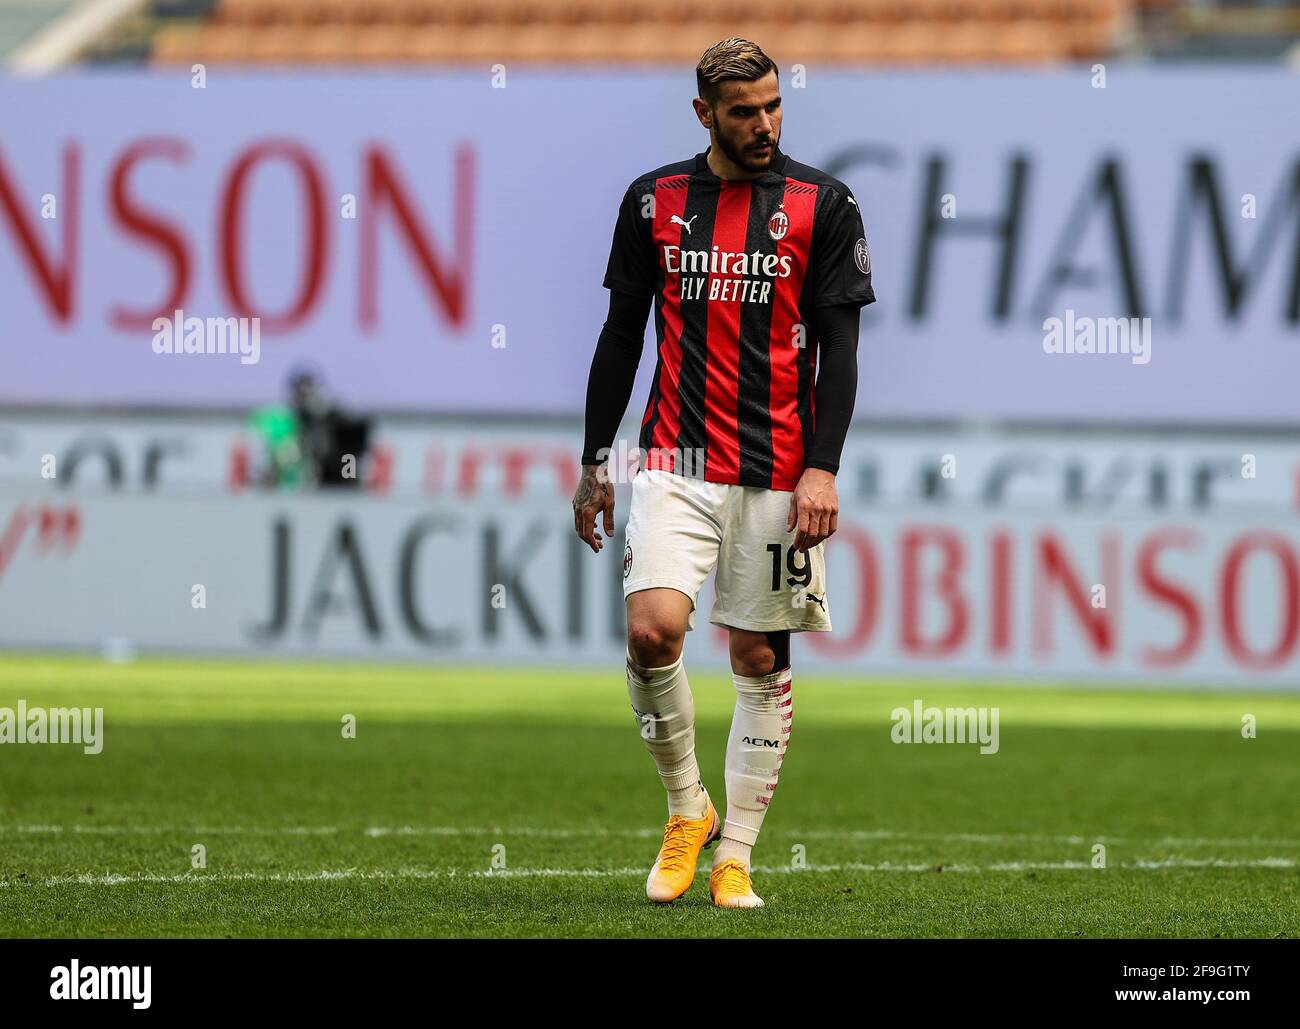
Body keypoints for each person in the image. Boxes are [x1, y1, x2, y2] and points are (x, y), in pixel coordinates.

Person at [572, 38, 877, 908]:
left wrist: (823, 468)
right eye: (744, 111)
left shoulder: (826, 204)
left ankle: (735, 852)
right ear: (704, 113)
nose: (764, 124)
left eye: (774, 106)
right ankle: (687, 810)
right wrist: (597, 457)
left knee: (755, 654)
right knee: (652, 632)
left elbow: (841, 352)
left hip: (781, 472)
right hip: (678, 457)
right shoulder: (654, 202)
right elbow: (620, 338)